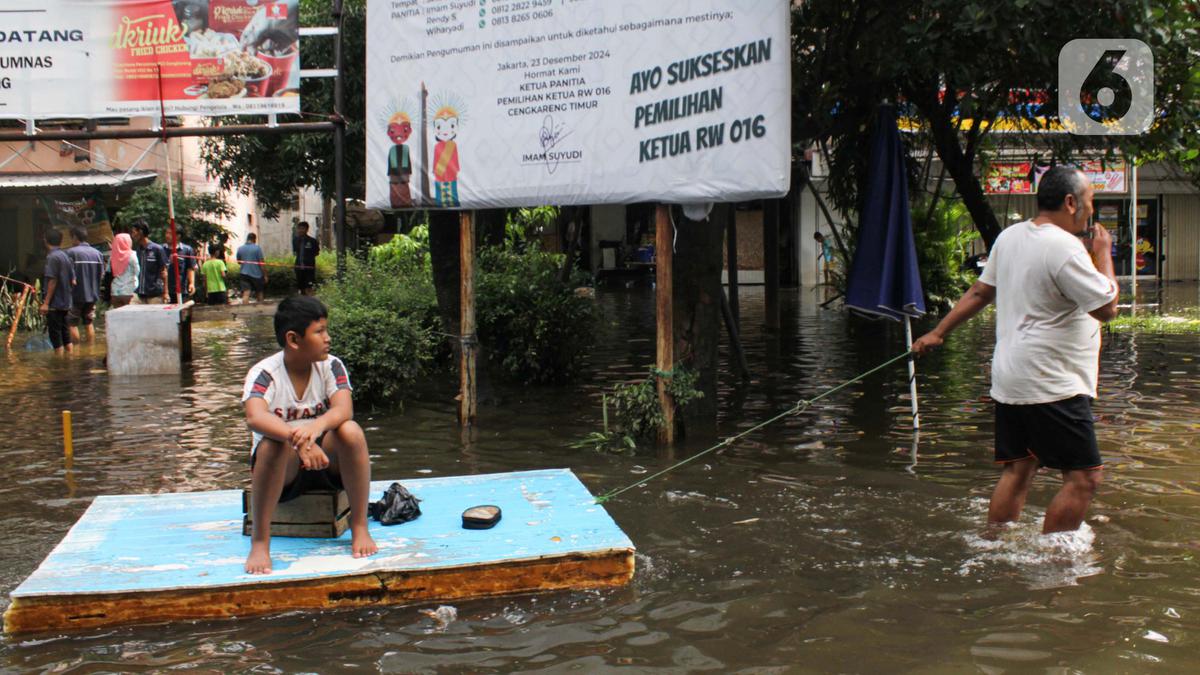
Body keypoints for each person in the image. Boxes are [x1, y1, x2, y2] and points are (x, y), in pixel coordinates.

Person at [912, 166, 1119, 535]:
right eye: (1089, 202)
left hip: (1011, 377)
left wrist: (938, 333)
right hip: (1052, 382)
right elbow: (1107, 308)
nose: (1092, 211)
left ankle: (994, 543)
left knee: (1020, 467)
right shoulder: (1065, 247)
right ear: (1071, 203)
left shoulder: (1011, 237)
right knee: (1084, 478)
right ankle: (1055, 560)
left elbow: (980, 292)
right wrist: (1104, 254)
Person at [241, 296, 377, 573]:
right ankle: (260, 542)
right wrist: (297, 439)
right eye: (319, 331)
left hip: (326, 463)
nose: (327, 338)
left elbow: (344, 409)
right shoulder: (265, 373)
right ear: (294, 339)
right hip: (285, 470)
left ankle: (359, 526)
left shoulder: (331, 366)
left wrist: (314, 430)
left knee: (350, 432)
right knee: (272, 444)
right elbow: (255, 416)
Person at [65, 226, 104, 344]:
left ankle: (76, 351)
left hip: (76, 295)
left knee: (71, 323)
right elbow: (101, 275)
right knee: (88, 322)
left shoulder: (71, 253)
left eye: (71, 238)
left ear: (75, 237)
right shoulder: (98, 254)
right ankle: (90, 348)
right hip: (92, 295)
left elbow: (67, 275)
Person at [39, 229, 75, 354]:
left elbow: (52, 280)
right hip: (65, 303)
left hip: (55, 304)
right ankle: (69, 360)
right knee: (66, 334)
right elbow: (73, 281)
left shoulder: (52, 257)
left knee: (56, 336)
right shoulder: (65, 256)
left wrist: (46, 303)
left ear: (46, 240)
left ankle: (59, 366)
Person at [132, 222, 169, 304]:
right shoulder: (138, 250)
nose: (132, 235)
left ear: (140, 232)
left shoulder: (157, 249)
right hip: (139, 294)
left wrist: (166, 293)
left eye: (134, 232)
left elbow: (164, 272)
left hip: (154, 295)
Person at [108, 229, 140, 308]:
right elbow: (137, 271)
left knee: (118, 317)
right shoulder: (132, 255)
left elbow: (108, 271)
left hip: (115, 291)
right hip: (129, 290)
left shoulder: (112, 257)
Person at [236, 233, 268, 303]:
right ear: (254, 239)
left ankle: (245, 310)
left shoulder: (240, 248)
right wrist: (265, 275)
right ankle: (260, 309)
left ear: (247, 239)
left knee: (246, 293)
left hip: (243, 274)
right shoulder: (257, 248)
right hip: (257, 275)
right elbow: (261, 263)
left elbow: (239, 262)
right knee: (259, 292)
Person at [166, 232, 197, 304]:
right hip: (165, 289)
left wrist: (192, 283)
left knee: (180, 312)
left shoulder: (187, 250)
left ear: (178, 236)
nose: (167, 235)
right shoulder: (162, 249)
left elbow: (190, 268)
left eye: (170, 233)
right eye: (166, 233)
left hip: (180, 289)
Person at [292, 221, 319, 296]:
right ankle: (303, 302)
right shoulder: (295, 240)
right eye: (299, 228)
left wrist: (308, 259)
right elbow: (295, 251)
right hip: (298, 267)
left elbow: (316, 252)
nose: (300, 230)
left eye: (302, 228)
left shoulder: (312, 241)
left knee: (309, 286)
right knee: (301, 287)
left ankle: (310, 302)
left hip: (309, 268)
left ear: (307, 229)